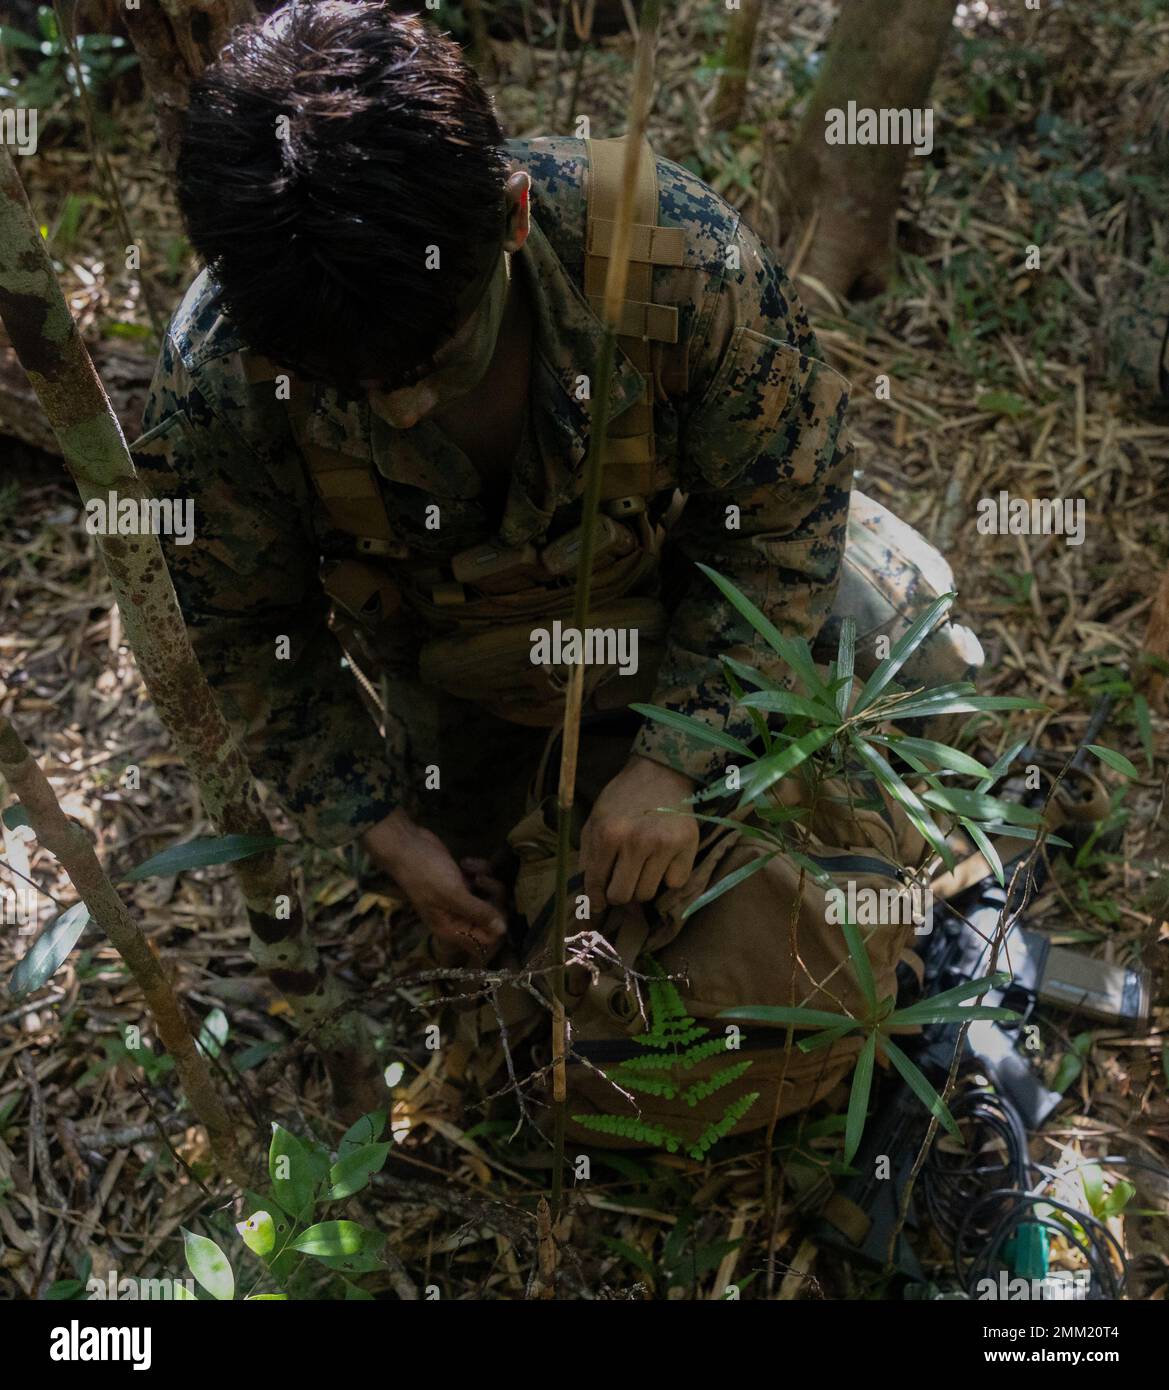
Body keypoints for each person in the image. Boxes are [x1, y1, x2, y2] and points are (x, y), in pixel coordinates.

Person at [132, 0, 858, 971]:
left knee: (848, 809)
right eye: (352, 389)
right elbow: (239, 637)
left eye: (431, 362)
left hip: (682, 613)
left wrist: (678, 758)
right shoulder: (223, 378)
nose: (397, 412)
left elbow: (781, 515)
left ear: (513, 216)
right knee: (531, 955)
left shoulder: (663, 250)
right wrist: (380, 828)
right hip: (460, 700)